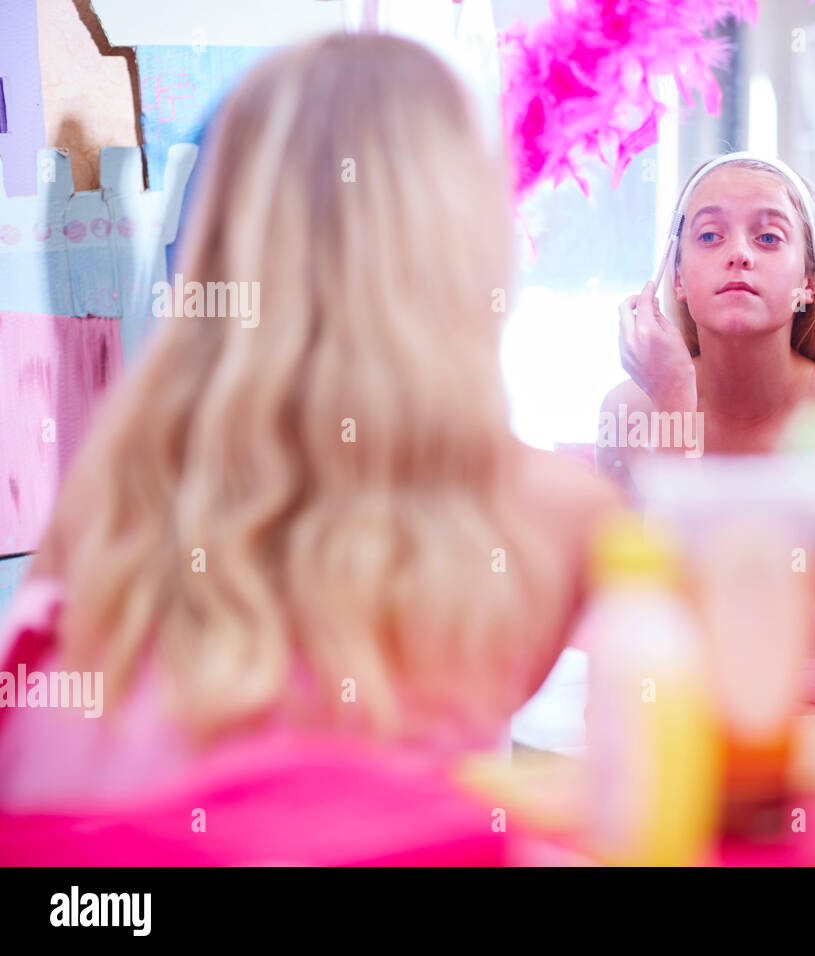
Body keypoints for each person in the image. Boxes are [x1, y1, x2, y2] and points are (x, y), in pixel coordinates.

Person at [0, 33, 620, 824]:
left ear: (224, 236)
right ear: (469, 237)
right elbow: (672, 783)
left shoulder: (121, 489)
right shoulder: (555, 512)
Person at [598, 152, 815, 485]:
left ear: (808, 283)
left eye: (769, 237)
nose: (739, 254)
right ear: (677, 280)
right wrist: (673, 402)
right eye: (710, 236)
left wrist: (673, 405)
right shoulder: (626, 414)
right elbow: (653, 539)